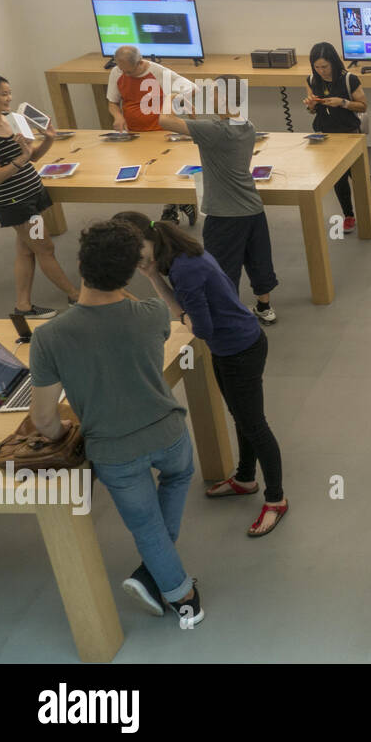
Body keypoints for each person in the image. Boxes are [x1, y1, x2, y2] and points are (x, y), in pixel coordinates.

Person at [27, 220, 203, 627]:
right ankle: (156, 579)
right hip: (169, 434)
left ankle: (182, 595)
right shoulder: (153, 312)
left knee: (145, 526)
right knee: (177, 480)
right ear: (128, 274)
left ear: (78, 264)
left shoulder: (50, 338)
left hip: (114, 451)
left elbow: (43, 418)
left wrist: (63, 436)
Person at [114, 211, 287, 538]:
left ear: (149, 240)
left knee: (254, 425)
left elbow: (202, 328)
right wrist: (152, 276)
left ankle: (276, 499)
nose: (135, 261)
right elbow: (188, 311)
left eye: (137, 254)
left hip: (239, 350)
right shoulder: (177, 254)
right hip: (231, 346)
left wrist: (181, 316)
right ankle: (245, 478)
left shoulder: (185, 269)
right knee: (240, 416)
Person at [156, 78, 279, 324]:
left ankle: (229, 315)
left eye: (212, 94)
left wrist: (172, 96)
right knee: (258, 260)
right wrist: (191, 117)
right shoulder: (246, 125)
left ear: (224, 99)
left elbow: (164, 121)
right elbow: (202, 127)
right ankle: (264, 307)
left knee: (222, 269)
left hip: (225, 215)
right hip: (252, 209)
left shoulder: (215, 130)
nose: (207, 98)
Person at [0, 73, 79, 318]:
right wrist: (22, 156)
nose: (9, 98)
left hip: (32, 193)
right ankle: (76, 297)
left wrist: (48, 140)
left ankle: (23, 306)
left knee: (26, 250)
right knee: (45, 247)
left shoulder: (12, 119)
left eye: (9, 93)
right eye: (3, 94)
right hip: (15, 202)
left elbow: (34, 156)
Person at [302, 42, 371, 234]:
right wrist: (311, 105)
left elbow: (363, 106)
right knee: (338, 177)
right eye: (317, 67)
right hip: (324, 133)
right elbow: (311, 109)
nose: (321, 71)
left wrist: (343, 102)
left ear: (333, 62)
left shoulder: (349, 79)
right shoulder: (311, 80)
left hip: (349, 133)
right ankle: (348, 215)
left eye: (325, 66)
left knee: (357, 176)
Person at [106, 45, 198, 226]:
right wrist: (118, 116)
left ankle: (170, 209)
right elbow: (112, 102)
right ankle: (182, 202)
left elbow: (193, 88)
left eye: (128, 71)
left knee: (165, 172)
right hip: (135, 133)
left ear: (140, 63)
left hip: (162, 132)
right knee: (147, 173)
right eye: (121, 69)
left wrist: (174, 100)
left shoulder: (159, 72)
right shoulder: (117, 72)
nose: (124, 73)